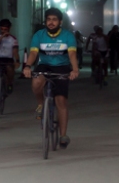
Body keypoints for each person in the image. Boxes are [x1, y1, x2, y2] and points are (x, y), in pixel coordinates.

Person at [22, 8, 80, 148]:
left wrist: (75, 69)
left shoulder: (68, 36)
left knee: (61, 101)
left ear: (60, 22)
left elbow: (72, 54)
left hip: (62, 67)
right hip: (45, 66)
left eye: (54, 20)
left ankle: (63, 135)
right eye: (48, 19)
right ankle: (41, 104)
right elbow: (34, 54)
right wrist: (28, 66)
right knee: (36, 83)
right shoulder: (39, 35)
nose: (51, 22)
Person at [0, 18, 20, 94]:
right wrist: (2, 37)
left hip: (8, 59)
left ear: (9, 28)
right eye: (2, 29)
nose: (3, 31)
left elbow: (15, 51)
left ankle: (9, 83)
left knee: (10, 69)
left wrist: (17, 61)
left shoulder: (13, 39)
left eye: (5, 29)